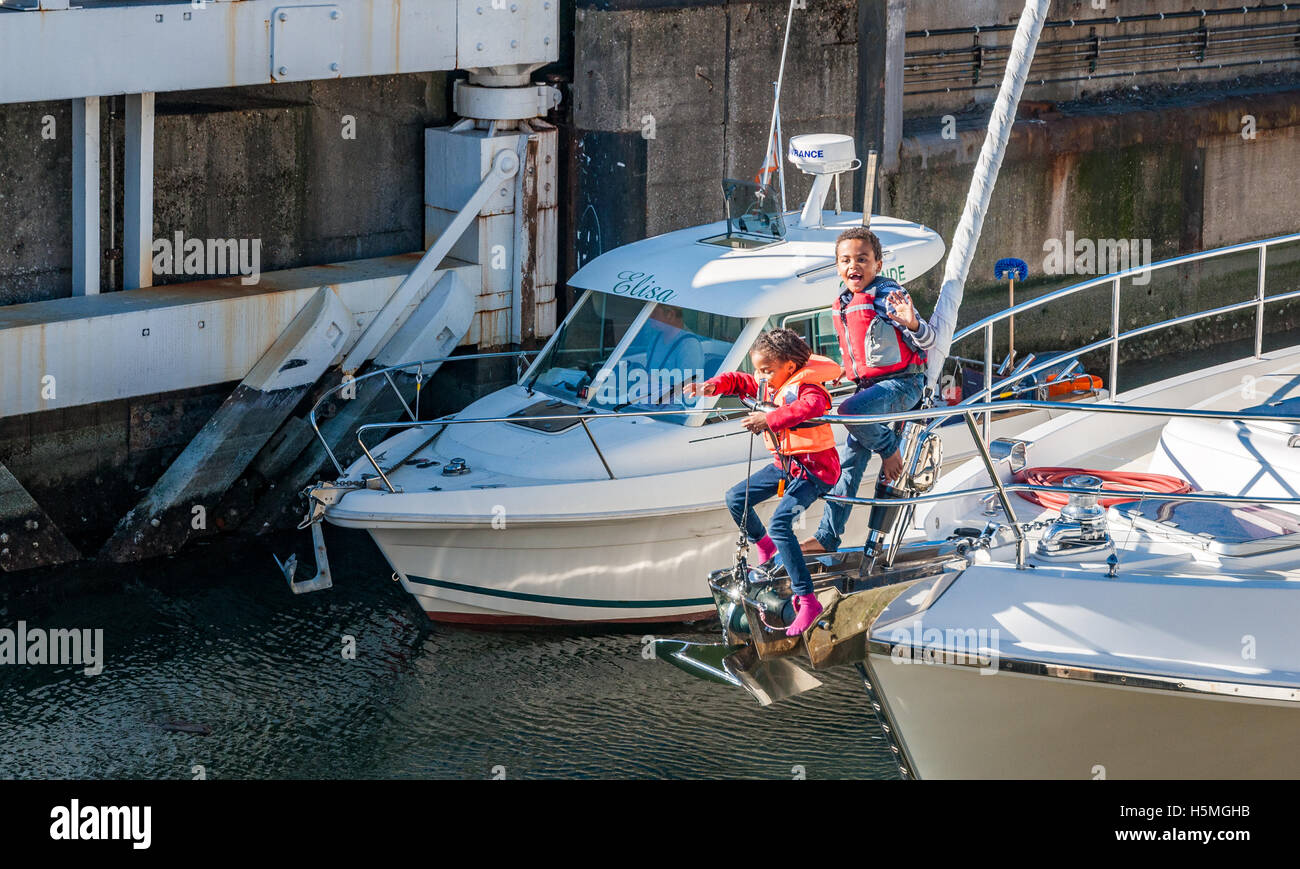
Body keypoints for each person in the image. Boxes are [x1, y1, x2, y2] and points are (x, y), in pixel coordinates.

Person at [684, 329, 842, 636]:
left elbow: (808, 408)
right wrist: (711, 386)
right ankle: (766, 548)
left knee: (781, 523)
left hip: (816, 470)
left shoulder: (810, 388)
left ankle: (808, 601)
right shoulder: (768, 381)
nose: (760, 376)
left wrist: (767, 420)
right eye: (759, 369)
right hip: (784, 465)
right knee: (735, 498)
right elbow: (739, 380)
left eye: (767, 371)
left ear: (791, 368)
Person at [803, 227, 935, 554]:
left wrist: (912, 322)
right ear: (837, 266)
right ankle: (827, 537)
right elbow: (857, 348)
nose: (854, 266)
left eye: (862, 259)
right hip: (870, 389)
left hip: (903, 383)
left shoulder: (887, 295)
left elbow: (928, 341)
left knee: (847, 412)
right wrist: (842, 373)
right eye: (846, 260)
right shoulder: (845, 301)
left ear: (877, 263)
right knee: (847, 465)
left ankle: (889, 450)